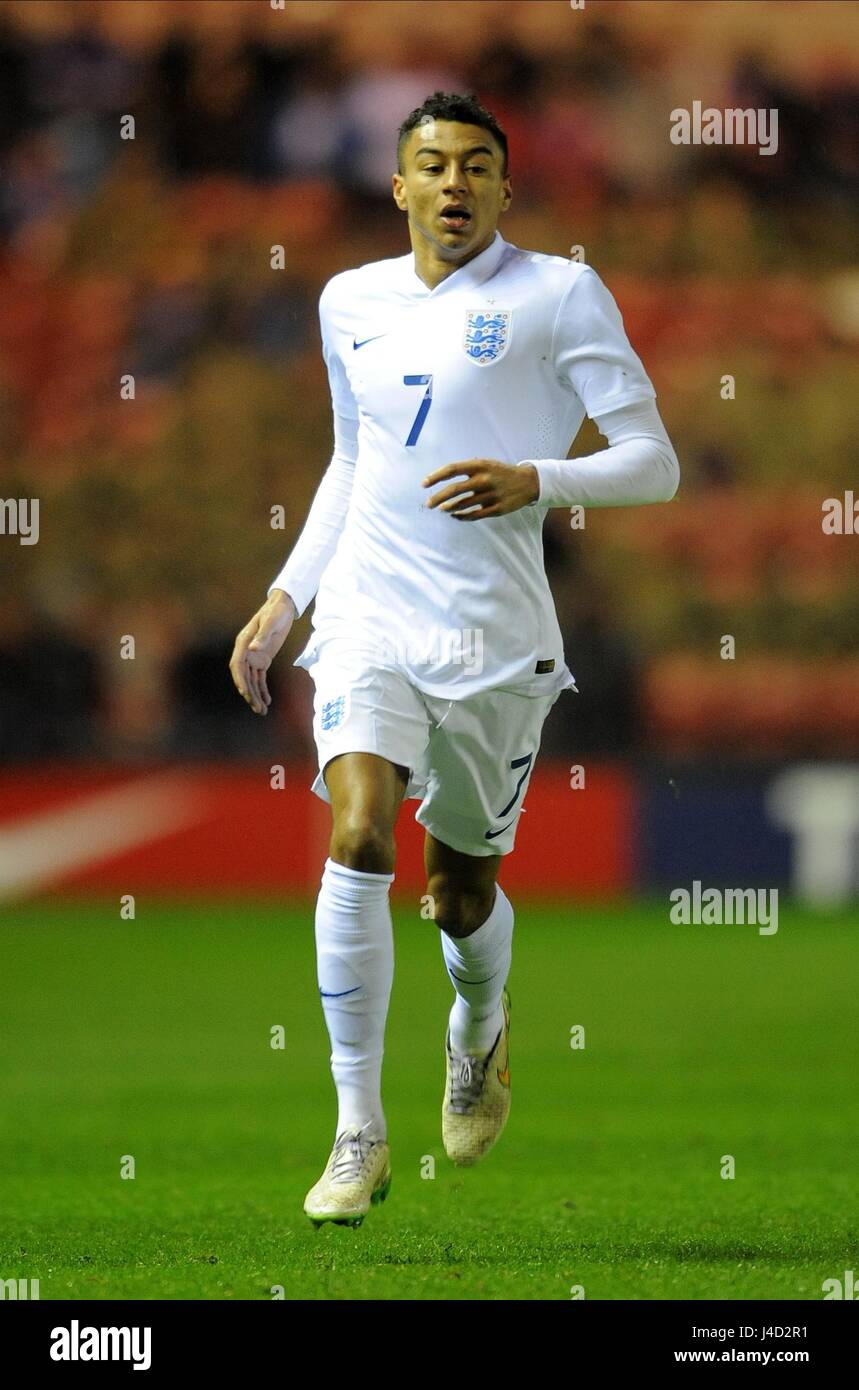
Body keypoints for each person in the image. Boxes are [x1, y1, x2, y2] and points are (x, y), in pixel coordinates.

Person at [229, 91, 679, 1228]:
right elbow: (351, 461)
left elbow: (653, 462)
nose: (454, 183)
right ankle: (354, 1131)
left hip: (496, 641)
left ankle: (478, 1029)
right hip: (369, 619)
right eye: (432, 164)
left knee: (458, 888)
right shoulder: (350, 301)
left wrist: (540, 476)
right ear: (399, 185)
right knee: (359, 832)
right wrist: (287, 599)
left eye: (478, 165)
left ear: (505, 188)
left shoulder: (559, 293)